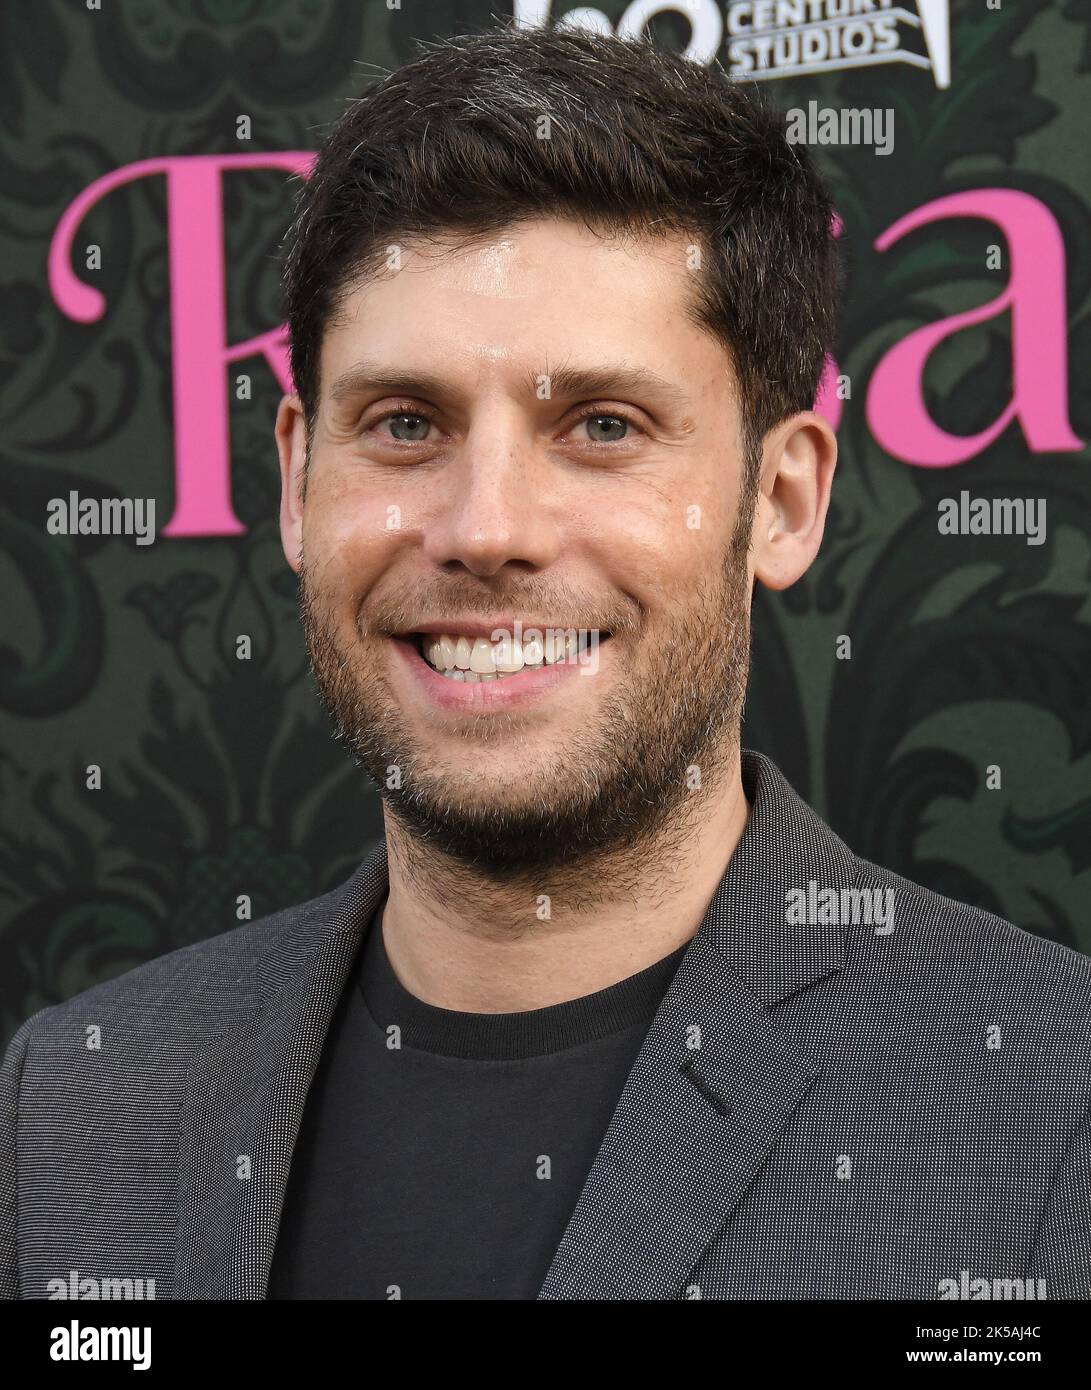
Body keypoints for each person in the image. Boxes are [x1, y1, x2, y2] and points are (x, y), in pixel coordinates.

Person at [2, 24, 1089, 1303]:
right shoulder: (68, 1105)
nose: (486, 530)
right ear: (297, 479)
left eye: (602, 427)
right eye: (404, 424)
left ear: (784, 500)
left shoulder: (1051, 1104)